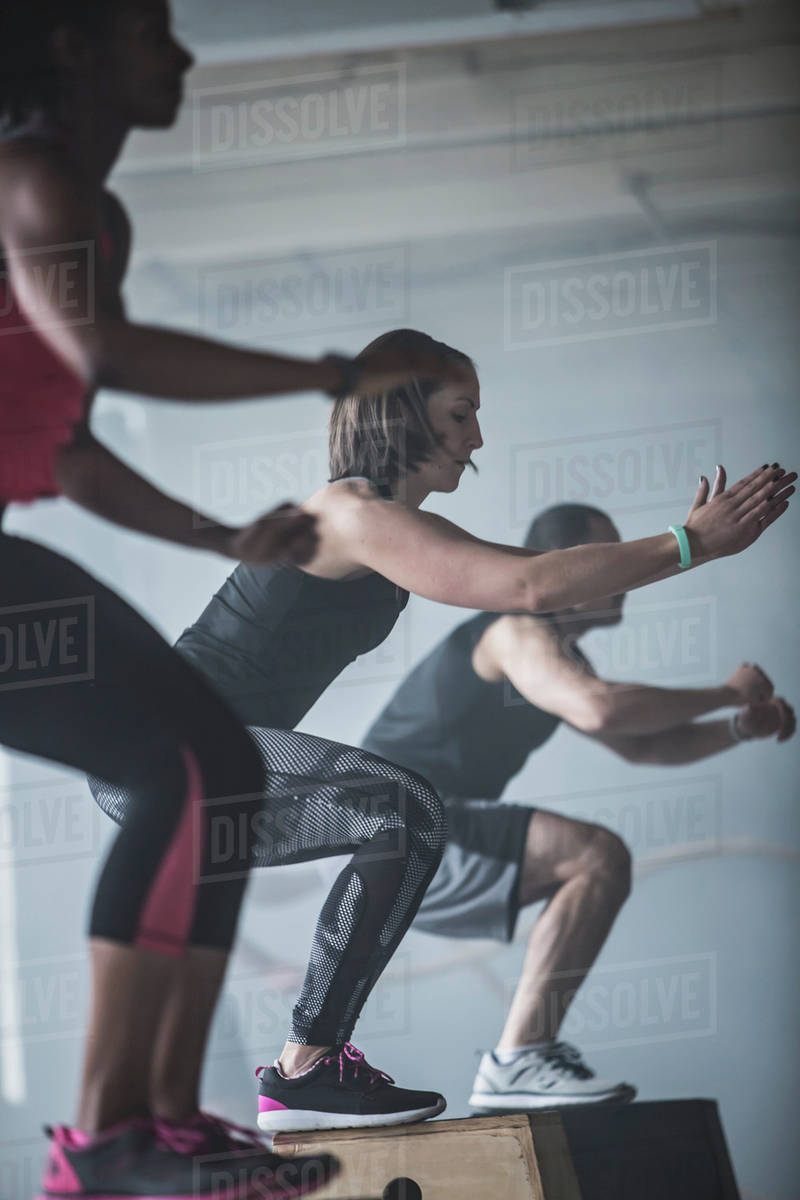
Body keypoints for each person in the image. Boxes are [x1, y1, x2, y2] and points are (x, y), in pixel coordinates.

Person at [91, 324, 795, 1135]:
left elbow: (559, 630)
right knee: (407, 807)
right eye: (461, 414)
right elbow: (529, 581)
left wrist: (730, 706)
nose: (477, 439)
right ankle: (304, 1071)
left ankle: (302, 1070)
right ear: (400, 414)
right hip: (163, 743)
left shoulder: (388, 535)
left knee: (400, 815)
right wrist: (687, 544)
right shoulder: (352, 513)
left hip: (194, 758)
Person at [0, 3, 460, 1196]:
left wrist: (213, 533)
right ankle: (116, 1136)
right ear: (74, 48)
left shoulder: (94, 214)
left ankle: (147, 1126)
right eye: (155, 33)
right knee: (195, 759)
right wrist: (333, 372)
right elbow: (111, 353)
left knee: (208, 763)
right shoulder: (35, 180)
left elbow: (69, 452)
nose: (184, 55)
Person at [361, 500, 796, 1111]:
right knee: (596, 855)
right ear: (571, 568)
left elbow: (644, 747)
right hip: (390, 826)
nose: (618, 573)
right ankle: (519, 1059)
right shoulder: (514, 631)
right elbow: (603, 708)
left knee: (594, 864)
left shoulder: (561, 656)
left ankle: (525, 1054)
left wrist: (738, 728)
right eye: (603, 558)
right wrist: (725, 692)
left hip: (415, 830)